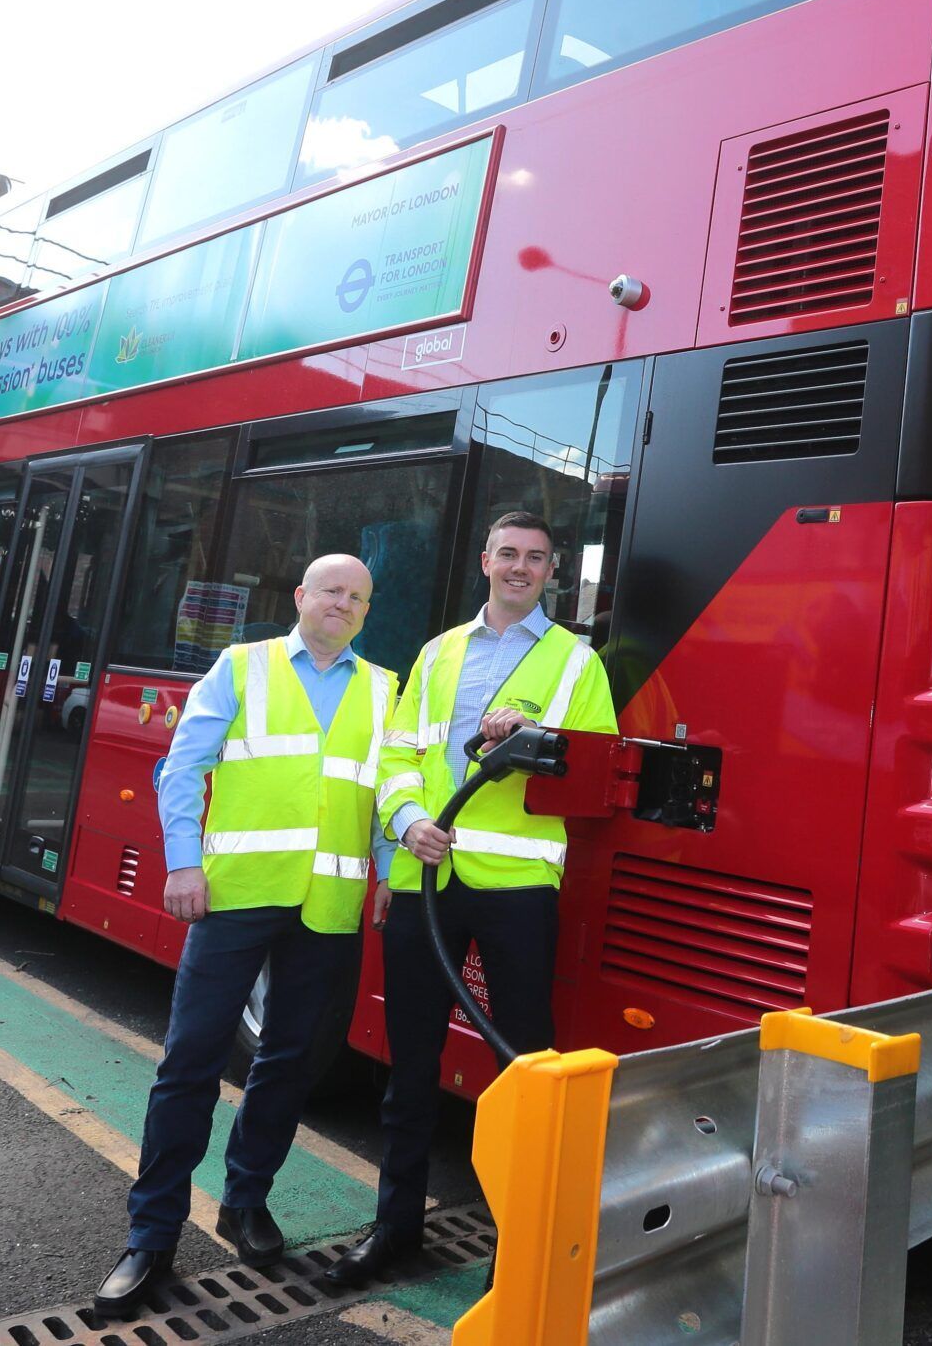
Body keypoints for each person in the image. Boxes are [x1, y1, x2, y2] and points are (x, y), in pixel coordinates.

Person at [92, 553, 412, 1321]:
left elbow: (386, 788)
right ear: (300, 595)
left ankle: (245, 1202)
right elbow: (182, 767)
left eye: (358, 596)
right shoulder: (241, 665)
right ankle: (152, 1236)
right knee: (191, 1059)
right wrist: (181, 862)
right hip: (233, 896)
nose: (343, 603)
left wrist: (392, 870)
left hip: (328, 906)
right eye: (331, 589)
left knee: (292, 1063)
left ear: (368, 612)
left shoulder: (383, 687)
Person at [323, 511, 617, 1288]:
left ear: (553, 572)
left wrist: (539, 734)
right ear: (485, 559)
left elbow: (596, 776)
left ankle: (522, 1247)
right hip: (427, 881)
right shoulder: (439, 652)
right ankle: (395, 1230)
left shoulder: (576, 664)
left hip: (518, 892)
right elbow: (399, 752)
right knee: (409, 1064)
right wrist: (408, 820)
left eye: (536, 558)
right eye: (508, 553)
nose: (520, 567)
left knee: (523, 1069)